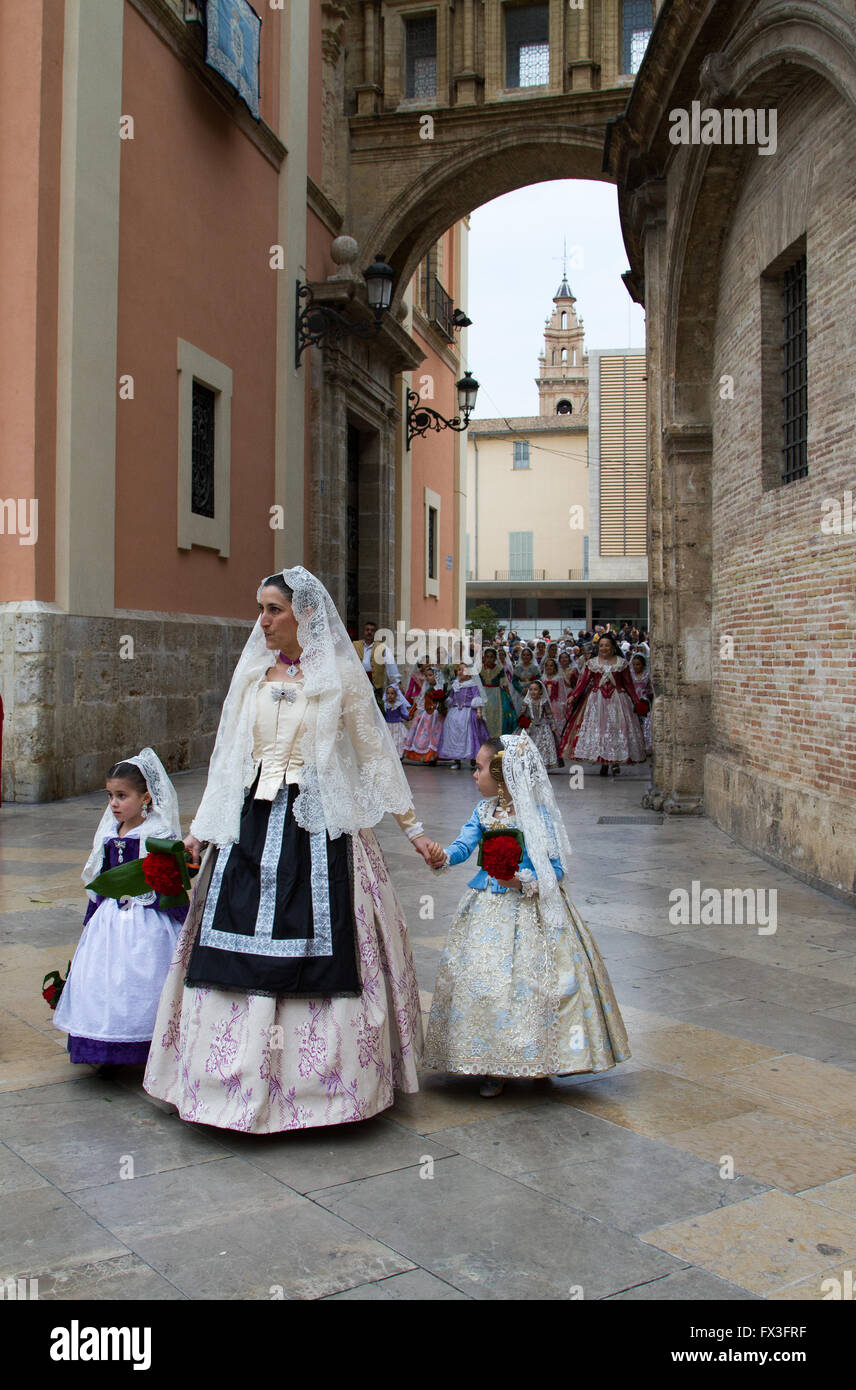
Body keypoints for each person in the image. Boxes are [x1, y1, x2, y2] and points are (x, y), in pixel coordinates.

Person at [144, 567, 433, 1134]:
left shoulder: (339, 680)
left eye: (273, 609)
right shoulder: (252, 676)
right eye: (261, 609)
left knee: (330, 942)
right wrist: (200, 830)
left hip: (319, 823)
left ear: (304, 613)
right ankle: (224, 1083)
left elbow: (375, 753)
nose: (263, 620)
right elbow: (228, 757)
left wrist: (413, 827)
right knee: (233, 935)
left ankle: (326, 1090)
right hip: (249, 823)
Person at [422, 734, 631, 1097]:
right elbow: (463, 845)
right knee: (485, 982)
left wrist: (522, 881)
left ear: (502, 775)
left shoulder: (538, 817)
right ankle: (492, 1063)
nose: (474, 775)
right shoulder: (483, 812)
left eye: (480, 768)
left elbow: (557, 868)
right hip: (487, 907)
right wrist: (442, 855)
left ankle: (538, 1059)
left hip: (531, 909)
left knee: (537, 986)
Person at [53, 749, 187, 1069]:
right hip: (111, 921)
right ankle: (105, 1045)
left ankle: (147, 1045)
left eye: (122, 796)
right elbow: (101, 878)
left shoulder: (156, 835)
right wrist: (92, 914)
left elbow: (169, 884)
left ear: (145, 798)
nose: (113, 803)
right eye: (110, 795)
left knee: (142, 978)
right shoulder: (111, 834)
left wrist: (179, 919)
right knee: (104, 979)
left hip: (146, 922)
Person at [559, 632, 649, 776]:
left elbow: (628, 684)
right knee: (600, 730)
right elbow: (583, 682)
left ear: (613, 647)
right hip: (597, 701)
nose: (604, 648)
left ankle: (614, 761)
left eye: (607, 645)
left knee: (616, 729)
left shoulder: (622, 663)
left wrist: (636, 701)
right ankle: (603, 761)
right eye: (601, 645)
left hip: (618, 701)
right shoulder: (592, 664)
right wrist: (573, 696)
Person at [436, 663, 490, 769]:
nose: (460, 672)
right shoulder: (455, 684)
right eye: (459, 670)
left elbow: (477, 698)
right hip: (455, 713)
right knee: (454, 736)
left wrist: (479, 711)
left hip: (468, 712)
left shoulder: (472, 685)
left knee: (471, 735)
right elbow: (451, 699)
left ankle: (474, 759)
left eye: (463, 670)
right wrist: (442, 698)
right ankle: (456, 760)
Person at [402, 665, 446, 764]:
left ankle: (433, 756)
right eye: (426, 676)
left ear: (437, 676)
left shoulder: (441, 688)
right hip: (427, 715)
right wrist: (412, 712)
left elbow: (445, 702)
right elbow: (421, 701)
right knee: (424, 736)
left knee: (435, 737)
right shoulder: (426, 688)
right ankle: (425, 755)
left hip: (437, 716)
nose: (427, 678)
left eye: (430, 675)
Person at [353, 620, 401, 708]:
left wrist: (397, 682)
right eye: (367, 630)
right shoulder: (354, 645)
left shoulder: (382, 648)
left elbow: (391, 665)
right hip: (358, 682)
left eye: (372, 630)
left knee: (376, 709)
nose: (369, 632)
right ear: (364, 631)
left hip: (376, 685)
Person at [520, 678, 559, 770]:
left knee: (543, 746)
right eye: (531, 689)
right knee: (530, 745)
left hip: (543, 727)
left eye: (535, 689)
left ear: (541, 691)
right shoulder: (527, 702)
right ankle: (531, 764)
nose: (533, 692)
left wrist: (553, 725)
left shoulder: (543, 701)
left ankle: (543, 764)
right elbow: (522, 714)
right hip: (531, 727)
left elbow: (549, 714)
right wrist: (522, 720)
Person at [479, 647, 517, 737]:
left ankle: (495, 735)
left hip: (496, 695)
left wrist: (509, 697)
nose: (489, 659)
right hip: (482, 693)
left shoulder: (499, 669)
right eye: (487, 657)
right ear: (484, 657)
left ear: (495, 658)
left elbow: (504, 684)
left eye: (491, 657)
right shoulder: (480, 669)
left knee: (496, 715)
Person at [630, 653, 654, 756]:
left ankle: (646, 746)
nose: (636, 667)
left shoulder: (647, 675)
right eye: (634, 664)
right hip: (632, 701)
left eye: (638, 664)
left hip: (644, 702)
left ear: (643, 665)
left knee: (647, 724)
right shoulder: (631, 674)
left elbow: (650, 689)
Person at [382, 683, 412, 756]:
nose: (390, 695)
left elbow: (403, 714)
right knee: (389, 740)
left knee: (398, 741)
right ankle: (389, 754)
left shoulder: (399, 704)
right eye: (388, 693)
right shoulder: (385, 705)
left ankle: (399, 755)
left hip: (397, 726)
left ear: (396, 695)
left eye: (392, 693)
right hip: (388, 725)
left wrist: (408, 717)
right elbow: (383, 714)